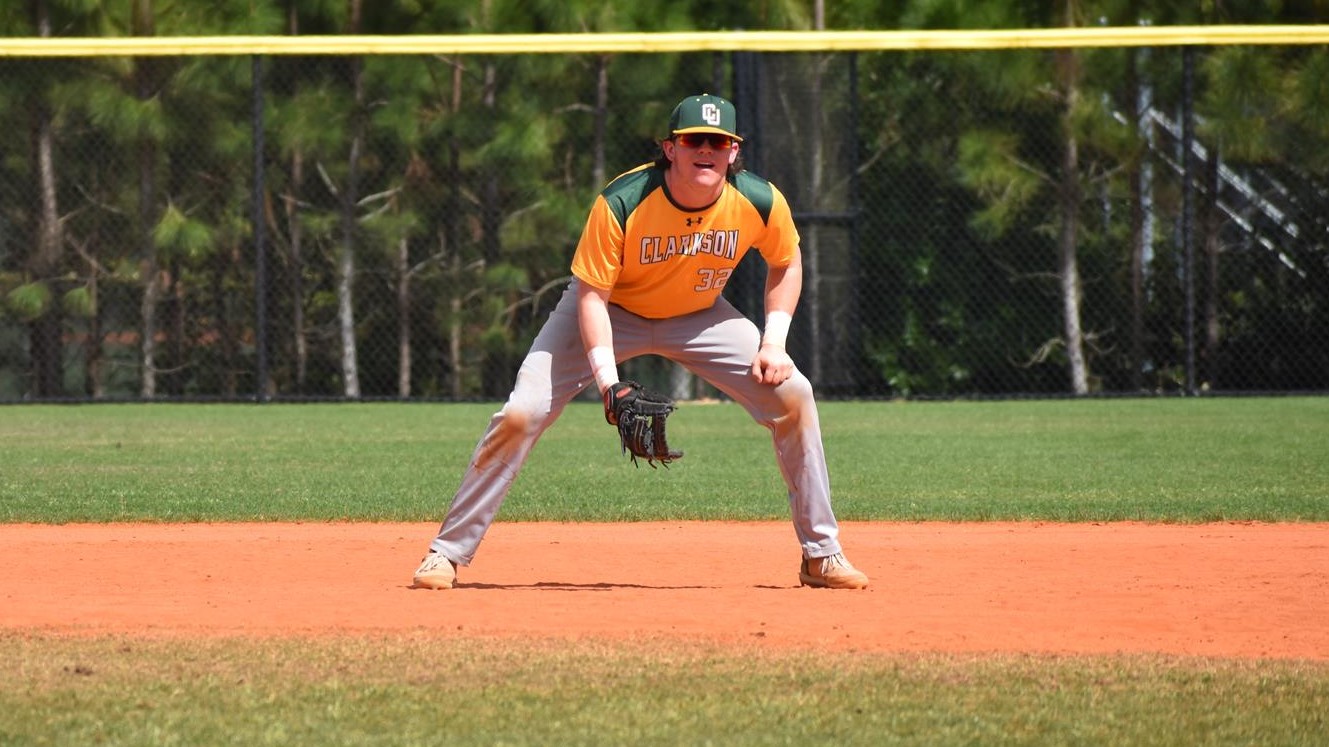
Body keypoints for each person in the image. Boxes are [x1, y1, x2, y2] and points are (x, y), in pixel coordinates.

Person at [413, 93, 868, 590]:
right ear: (669, 148)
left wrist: (773, 342)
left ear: (734, 152)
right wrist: (608, 384)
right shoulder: (623, 201)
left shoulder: (759, 201)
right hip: (611, 309)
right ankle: (447, 553)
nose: (707, 150)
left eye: (720, 141)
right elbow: (591, 298)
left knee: (794, 396)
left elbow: (786, 262)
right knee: (522, 412)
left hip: (699, 315)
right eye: (695, 139)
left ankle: (821, 555)